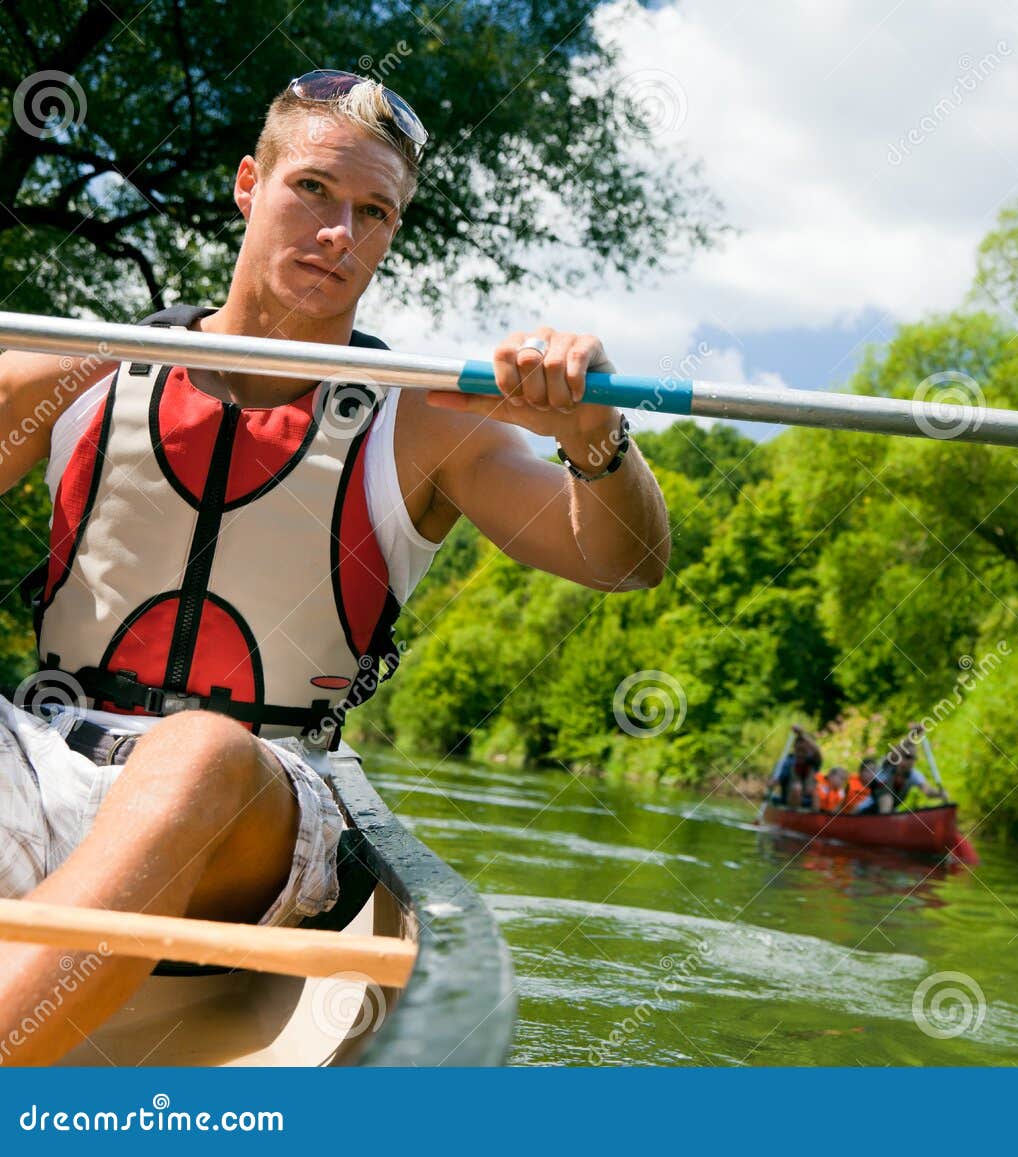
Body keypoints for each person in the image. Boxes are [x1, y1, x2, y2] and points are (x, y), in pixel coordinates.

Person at [0, 70, 672, 1065]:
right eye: (312, 190)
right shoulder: (72, 365)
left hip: (260, 803)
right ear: (246, 185)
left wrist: (597, 439)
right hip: (44, 753)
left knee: (198, 751)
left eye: (373, 212)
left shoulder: (428, 425)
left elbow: (626, 560)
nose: (339, 234)